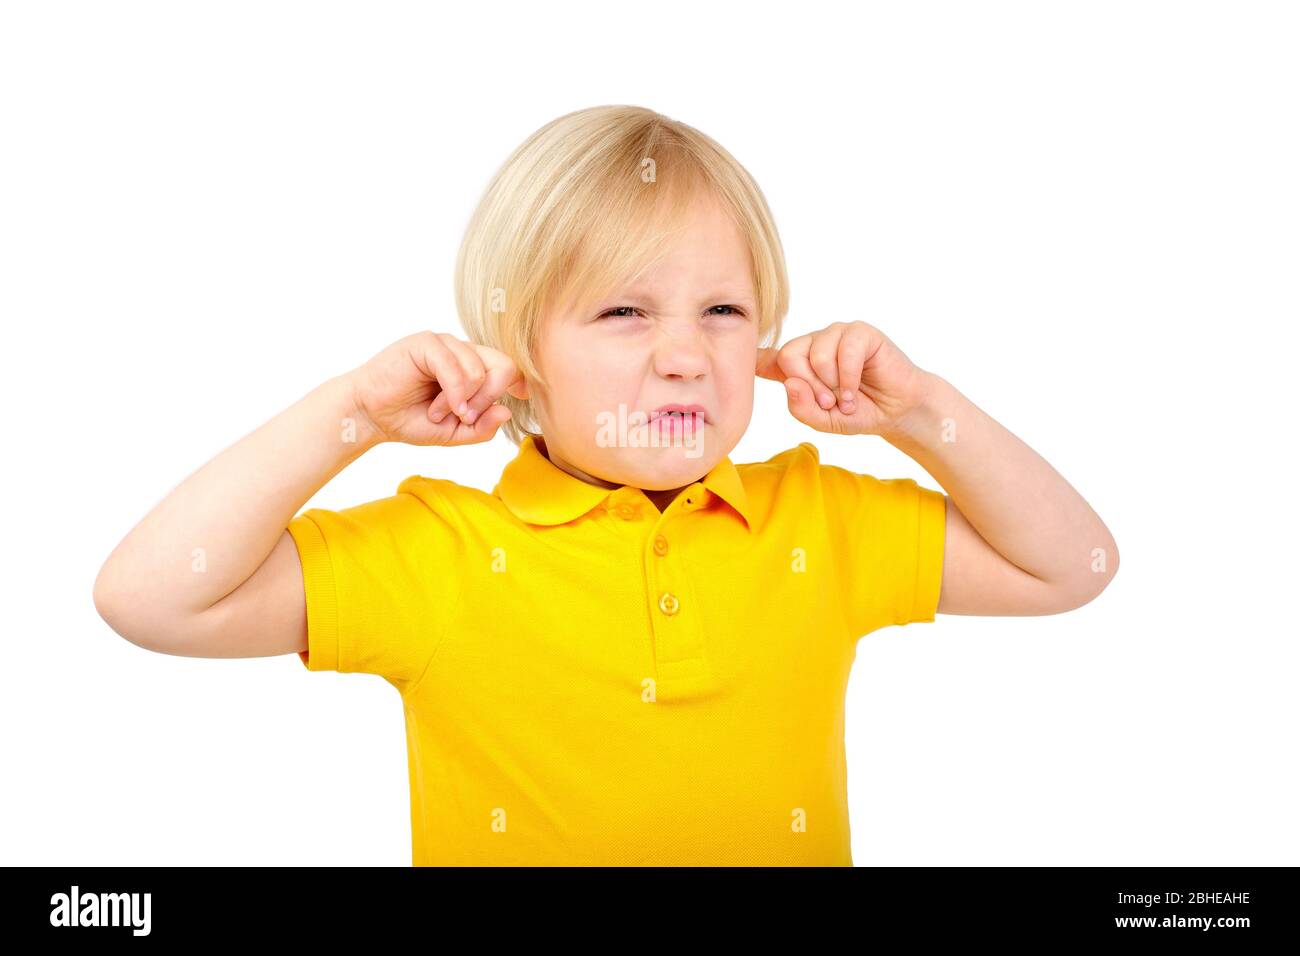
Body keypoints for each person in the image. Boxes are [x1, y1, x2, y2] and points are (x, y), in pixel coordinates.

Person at [93, 104, 1119, 866]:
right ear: (514, 350)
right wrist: (351, 414)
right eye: (623, 312)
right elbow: (153, 596)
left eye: (721, 309)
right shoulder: (443, 549)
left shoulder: (818, 518)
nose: (684, 355)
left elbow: (1069, 564)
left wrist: (921, 410)